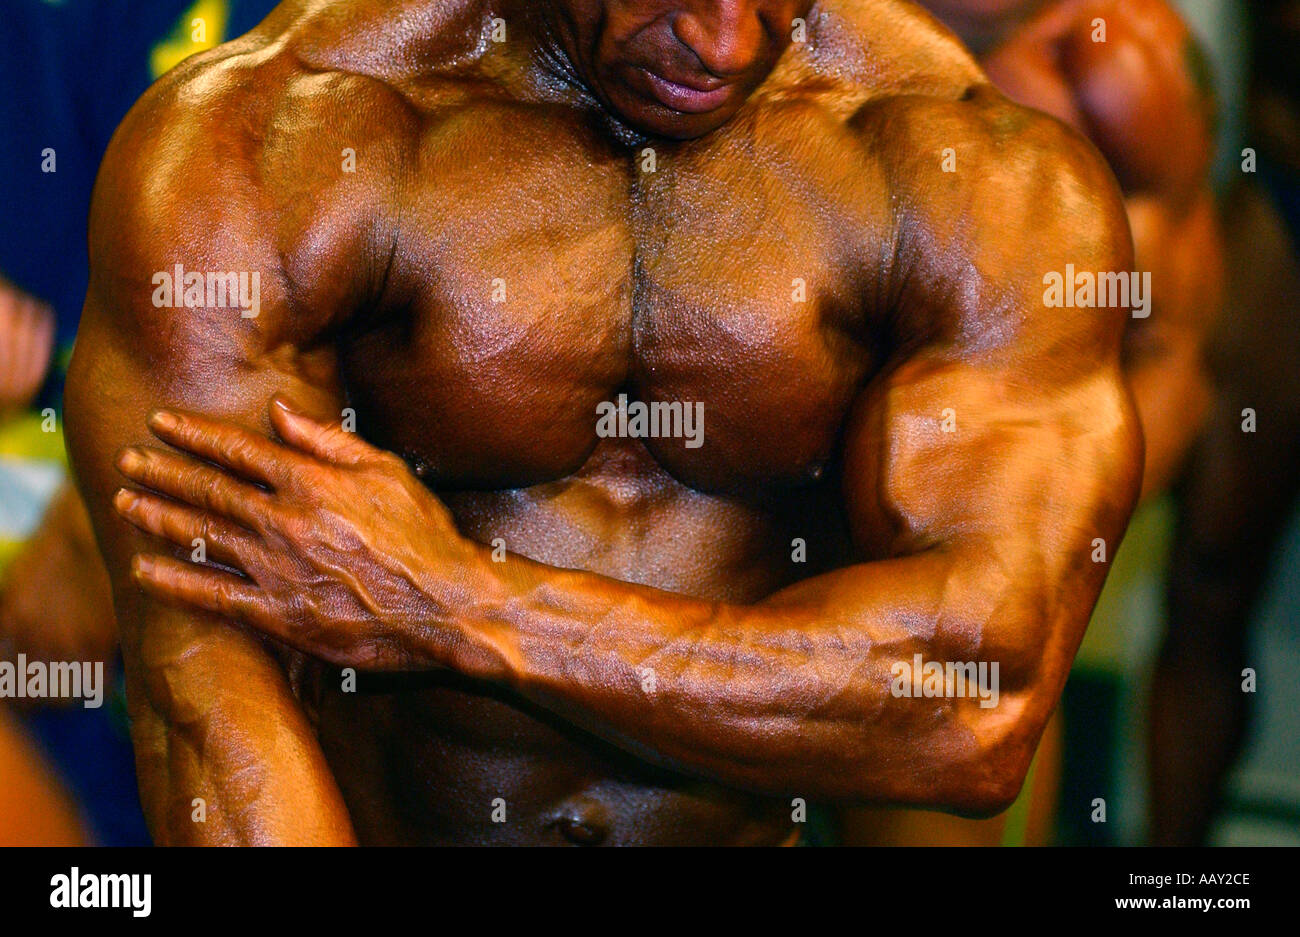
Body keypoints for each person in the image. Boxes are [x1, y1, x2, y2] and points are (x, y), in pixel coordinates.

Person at [67, 0, 1142, 846]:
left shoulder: (969, 172)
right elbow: (206, 691)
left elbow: (973, 708)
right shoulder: (269, 144)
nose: (723, 38)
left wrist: (464, 607)